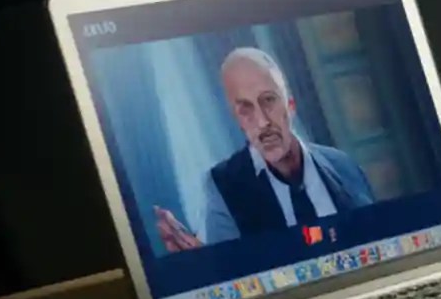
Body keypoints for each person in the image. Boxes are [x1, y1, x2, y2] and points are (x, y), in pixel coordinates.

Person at [154, 47, 375, 251]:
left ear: (290, 104)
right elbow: (228, 272)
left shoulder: (343, 165)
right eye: (245, 109)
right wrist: (201, 262)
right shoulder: (223, 185)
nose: (262, 122)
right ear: (237, 119)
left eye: (268, 100)